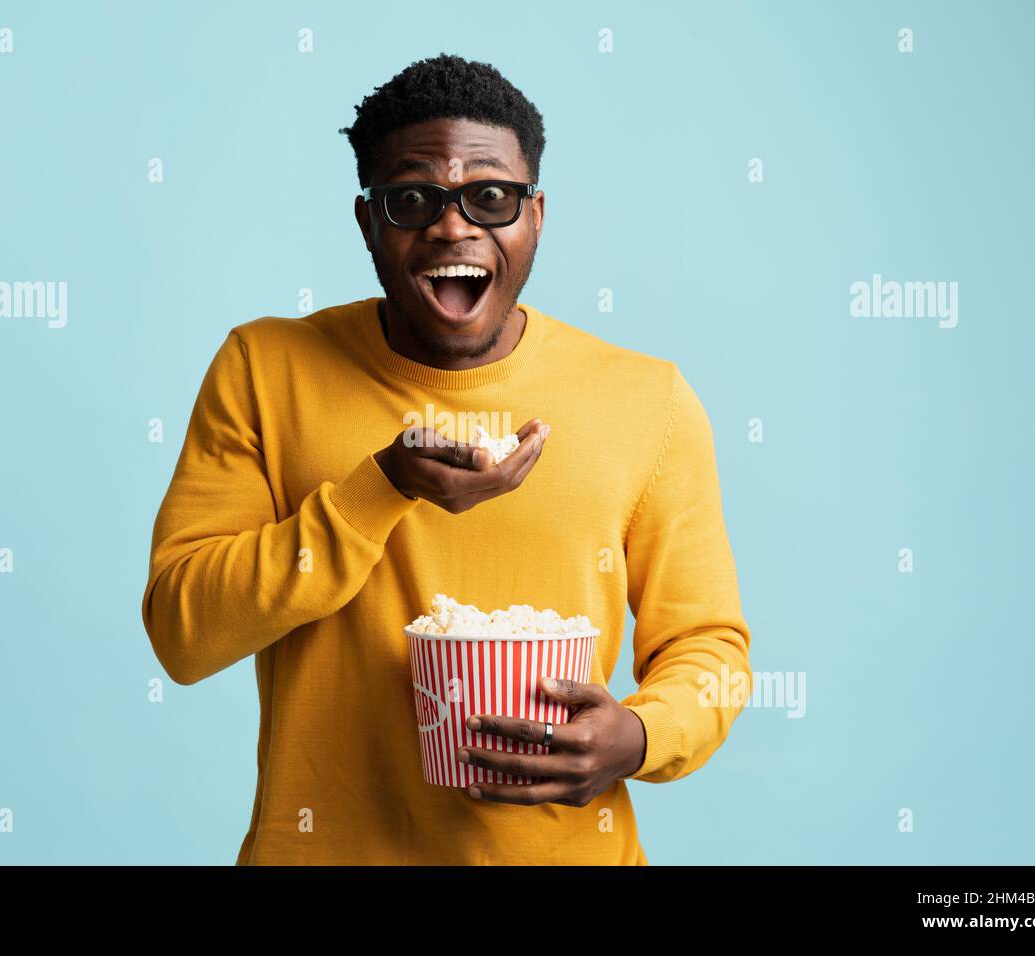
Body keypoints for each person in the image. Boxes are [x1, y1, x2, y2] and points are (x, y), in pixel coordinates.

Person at [140, 52, 752, 865]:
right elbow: (184, 632)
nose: (453, 226)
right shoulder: (265, 368)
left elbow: (710, 651)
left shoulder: (648, 400)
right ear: (369, 223)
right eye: (413, 199)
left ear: (537, 217)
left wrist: (638, 735)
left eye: (490, 197)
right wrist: (380, 487)